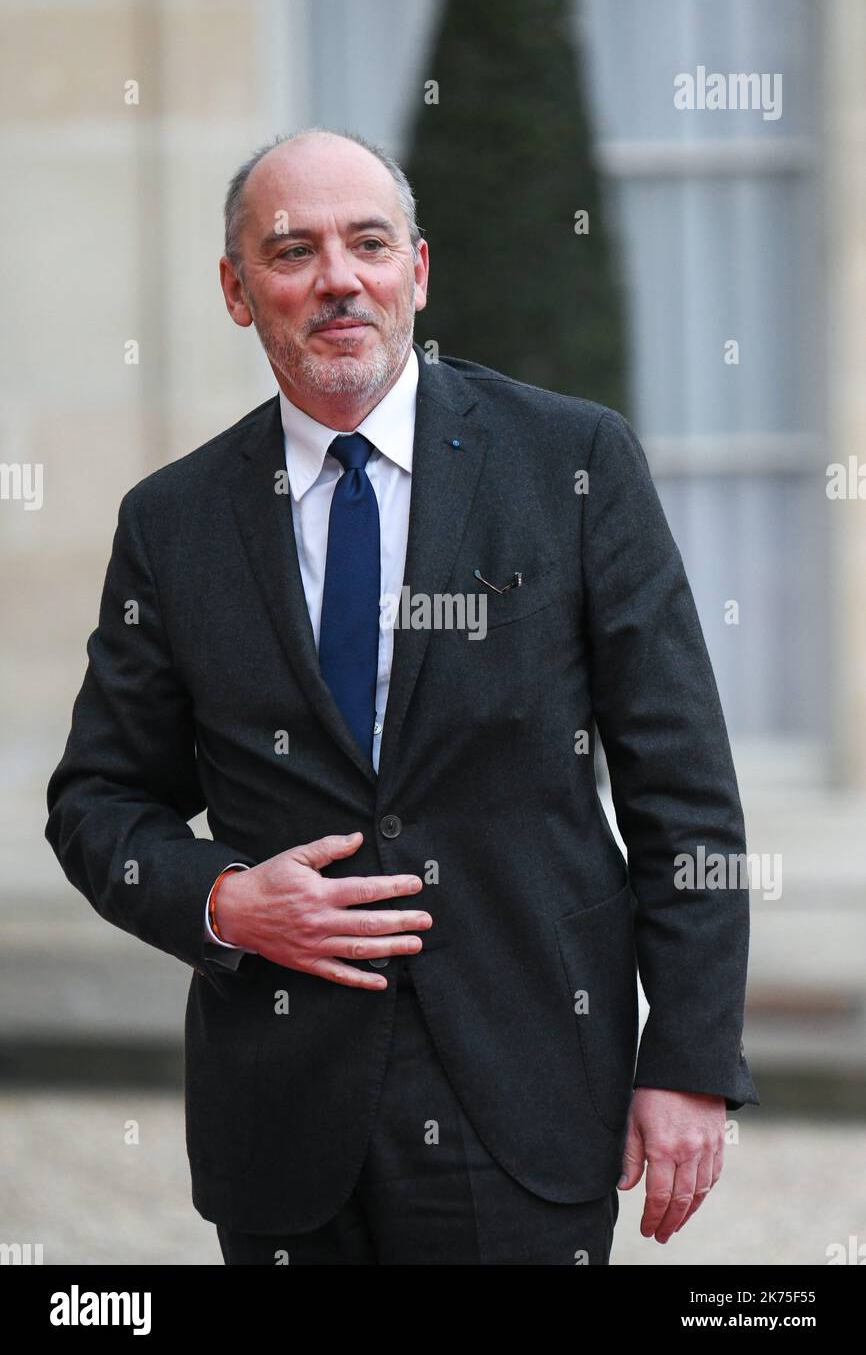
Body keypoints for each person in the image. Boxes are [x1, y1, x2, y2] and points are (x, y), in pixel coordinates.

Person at [45, 127, 759, 1266]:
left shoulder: (572, 464)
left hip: (527, 1086)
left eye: (367, 243)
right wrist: (226, 899)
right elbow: (96, 802)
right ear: (238, 291)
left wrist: (684, 1059)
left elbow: (683, 791)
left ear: (415, 271)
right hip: (284, 1117)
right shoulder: (170, 524)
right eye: (292, 251)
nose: (337, 278)